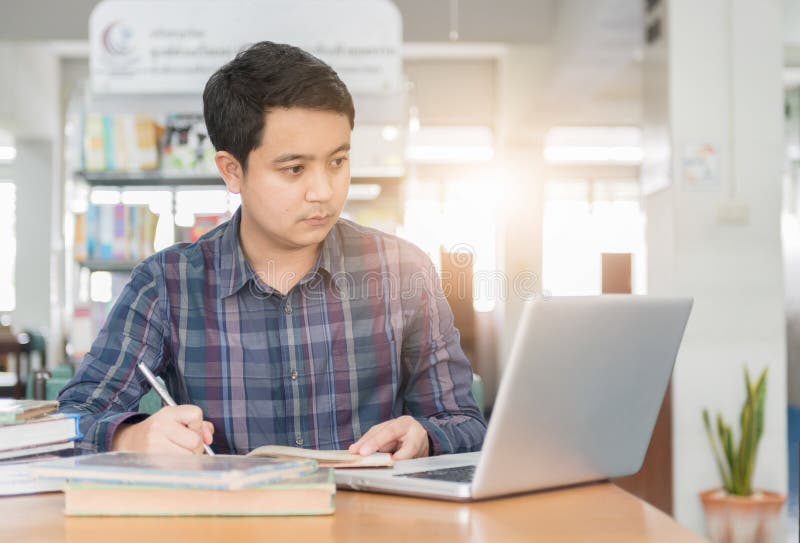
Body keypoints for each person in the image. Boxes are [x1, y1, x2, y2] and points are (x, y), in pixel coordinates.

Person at [58, 41, 486, 460]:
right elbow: (72, 420)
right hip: (229, 526)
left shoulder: (402, 270)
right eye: (294, 169)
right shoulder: (167, 284)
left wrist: (425, 436)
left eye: (338, 162)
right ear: (232, 170)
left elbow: (465, 422)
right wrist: (129, 438)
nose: (323, 191)